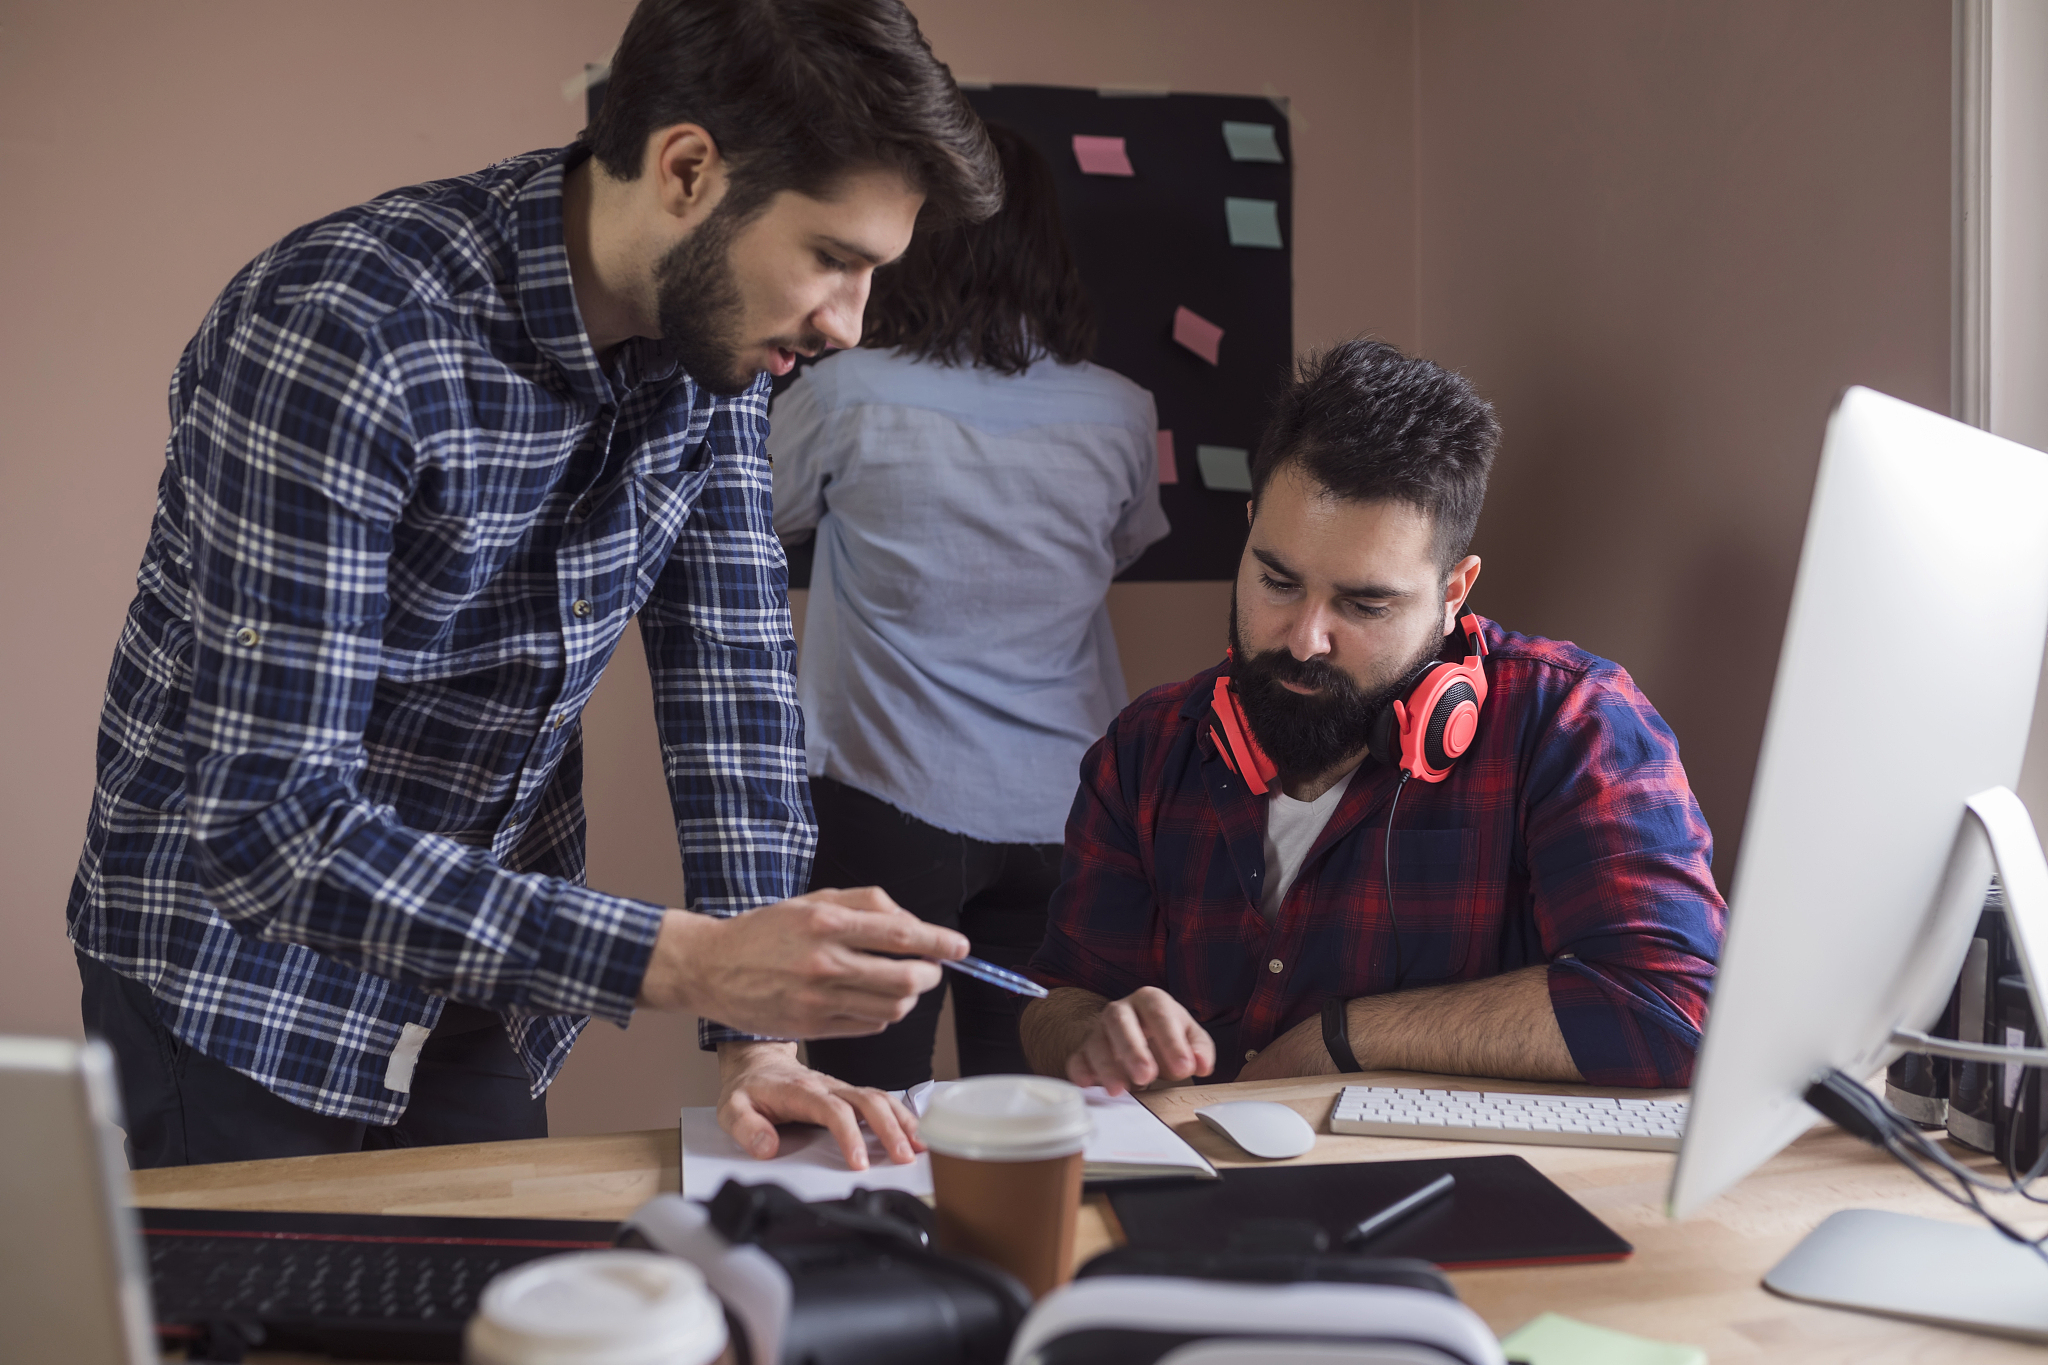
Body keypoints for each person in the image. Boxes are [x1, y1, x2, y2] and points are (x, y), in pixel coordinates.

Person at [65, 0, 1003, 1172]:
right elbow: (270, 832)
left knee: (513, 1323)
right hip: (238, 990)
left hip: (481, 975)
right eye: (832, 258)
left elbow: (735, 695)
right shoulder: (348, 336)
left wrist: (761, 1038)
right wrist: (695, 961)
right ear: (686, 170)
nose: (849, 324)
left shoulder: (714, 353)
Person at [1017, 340, 1727, 1094]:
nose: (1304, 637)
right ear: (1251, 526)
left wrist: (1339, 1039)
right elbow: (1054, 998)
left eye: (1364, 604)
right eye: (1277, 580)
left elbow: (1676, 1008)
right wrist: (1092, 1032)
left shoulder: (1573, 724)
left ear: (1455, 589)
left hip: (1460, 1200)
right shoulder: (1145, 749)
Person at [769, 124, 1168, 1090]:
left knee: (863, 1110)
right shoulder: (1122, 408)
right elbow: (1123, 544)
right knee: (1025, 1113)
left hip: (884, 796)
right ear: (1047, 245)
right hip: (1060, 807)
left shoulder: (845, 393)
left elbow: (757, 516)